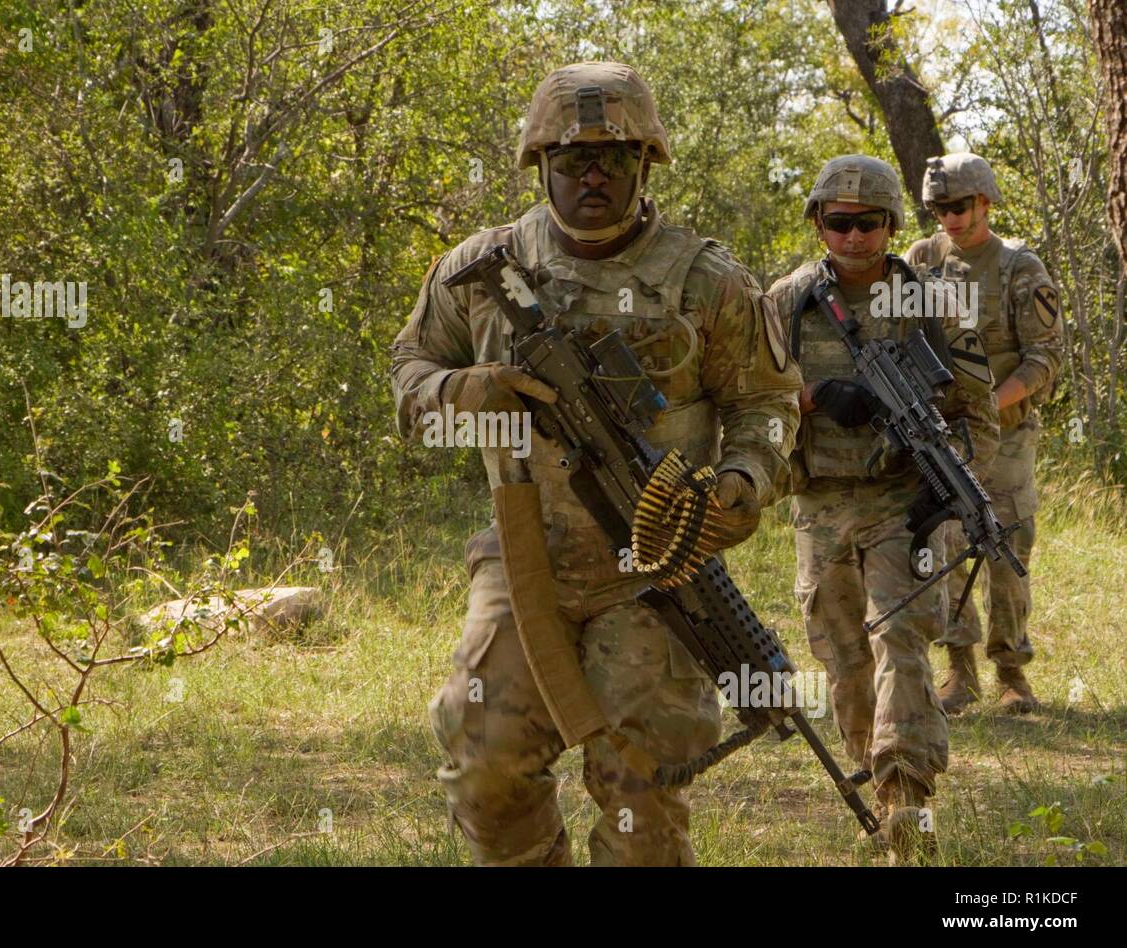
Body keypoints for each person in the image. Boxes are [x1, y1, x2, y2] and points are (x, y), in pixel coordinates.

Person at [389, 62, 801, 865]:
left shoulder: (706, 281)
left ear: (647, 164)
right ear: (539, 164)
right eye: (573, 161)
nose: (593, 177)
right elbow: (407, 375)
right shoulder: (480, 269)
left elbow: (768, 404)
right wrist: (466, 389)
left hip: (658, 569)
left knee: (639, 785)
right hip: (522, 555)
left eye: (614, 159)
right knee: (485, 764)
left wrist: (744, 482)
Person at [766, 155, 999, 861]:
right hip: (820, 504)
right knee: (845, 662)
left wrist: (952, 491)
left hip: (904, 501)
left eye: (869, 223)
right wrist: (811, 397)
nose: (854, 236)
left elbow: (977, 409)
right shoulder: (785, 303)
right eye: (839, 223)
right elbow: (748, 401)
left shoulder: (931, 301)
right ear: (818, 224)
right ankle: (878, 789)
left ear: (892, 225)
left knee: (899, 640)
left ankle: (909, 806)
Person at [906, 153, 1064, 715]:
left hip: (1007, 434)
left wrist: (987, 406)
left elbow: (1044, 358)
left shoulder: (1021, 266)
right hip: (943, 436)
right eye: (938, 208)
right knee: (944, 549)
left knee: (1006, 549)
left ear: (985, 203)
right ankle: (960, 671)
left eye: (958, 207)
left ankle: (1013, 674)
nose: (948, 218)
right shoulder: (921, 260)